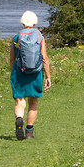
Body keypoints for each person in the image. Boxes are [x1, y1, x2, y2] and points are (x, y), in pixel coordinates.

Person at [10, 10, 51, 140]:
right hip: (36, 72)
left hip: (19, 72)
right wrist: (48, 76)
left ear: (22, 21)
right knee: (33, 102)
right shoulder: (39, 37)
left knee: (20, 101)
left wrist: (14, 72)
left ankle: (19, 119)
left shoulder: (16, 37)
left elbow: (12, 59)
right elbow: (44, 57)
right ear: (34, 21)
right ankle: (29, 131)